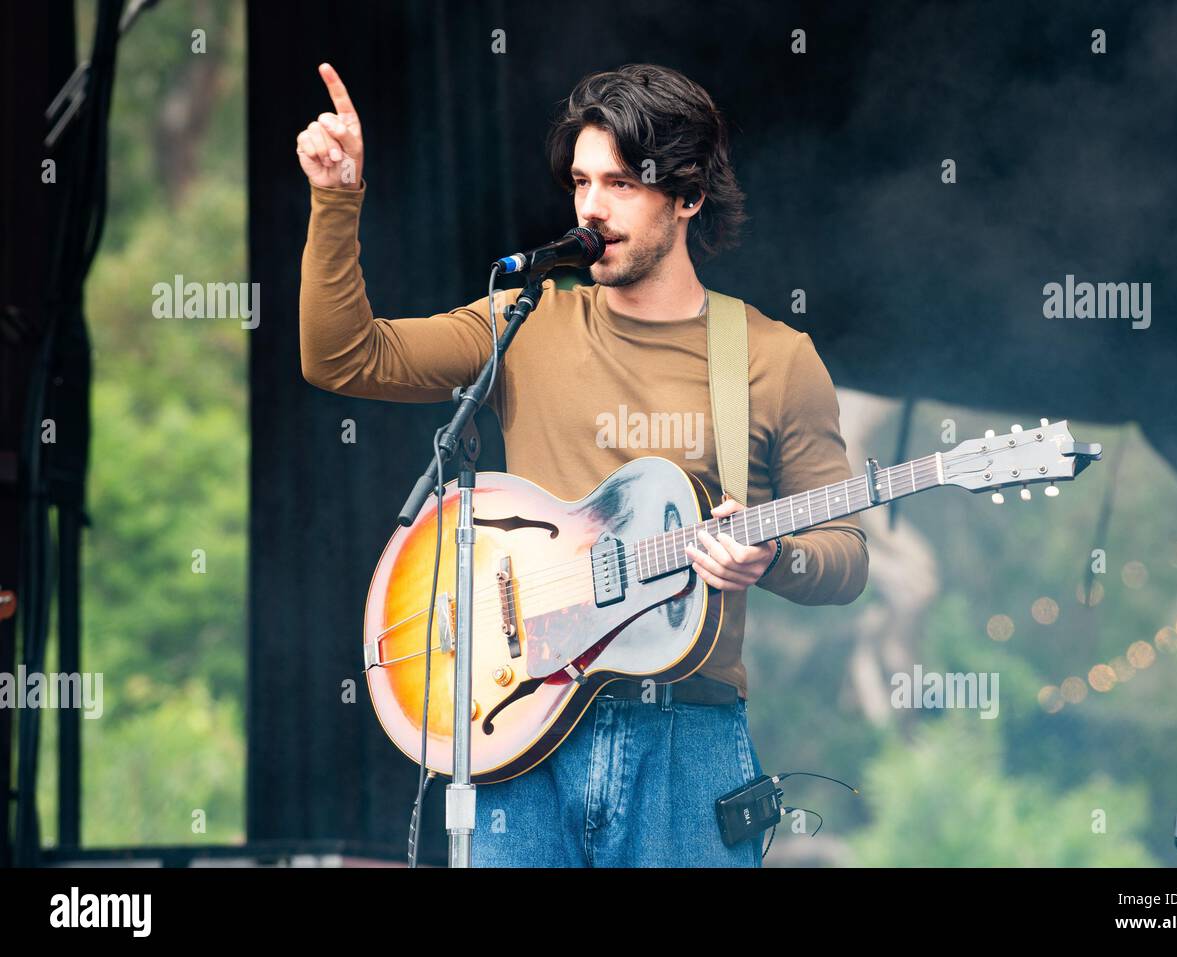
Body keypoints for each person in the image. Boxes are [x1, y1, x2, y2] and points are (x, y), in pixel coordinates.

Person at [297, 61, 869, 867]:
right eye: (581, 181)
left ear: (688, 195)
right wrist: (336, 201)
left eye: (621, 183)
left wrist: (773, 557)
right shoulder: (525, 321)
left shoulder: (775, 359)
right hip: (521, 732)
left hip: (686, 743)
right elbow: (343, 357)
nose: (591, 207)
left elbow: (846, 557)